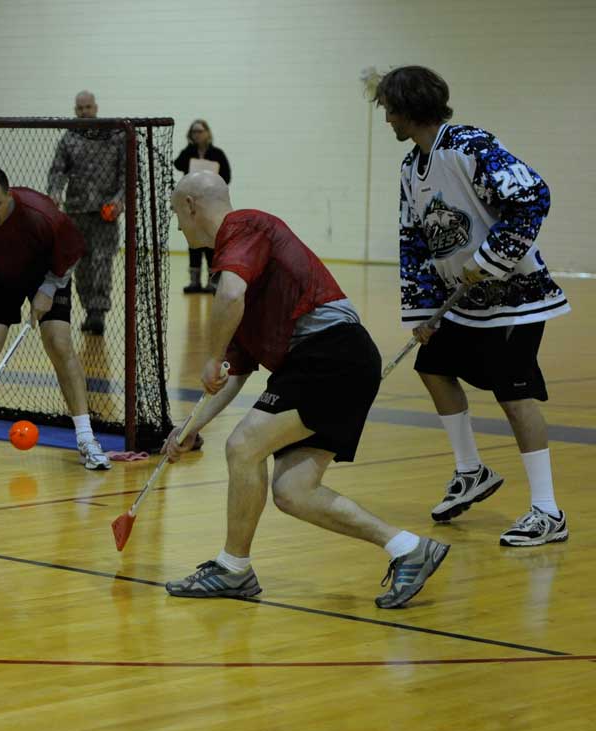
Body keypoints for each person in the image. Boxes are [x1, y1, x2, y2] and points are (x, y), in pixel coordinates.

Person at [162, 172, 449, 609]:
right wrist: (188, 427)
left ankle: (233, 568)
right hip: (333, 363)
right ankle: (408, 548)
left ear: (191, 207)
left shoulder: (245, 228)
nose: (179, 229)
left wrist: (208, 354)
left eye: (176, 217)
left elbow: (230, 296)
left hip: (331, 354)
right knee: (294, 491)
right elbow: (234, 374)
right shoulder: (245, 265)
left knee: (243, 446)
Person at [373, 66, 570, 546]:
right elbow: (414, 242)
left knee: (513, 396)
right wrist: (421, 312)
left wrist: (490, 258)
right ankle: (470, 471)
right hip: (463, 303)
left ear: (409, 108)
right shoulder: (408, 168)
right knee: (433, 367)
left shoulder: (468, 146)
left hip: (515, 299)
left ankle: (548, 512)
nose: (386, 121)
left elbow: (533, 196)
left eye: (389, 110)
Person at [0, 167, 111, 470]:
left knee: (58, 342)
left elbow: (70, 253)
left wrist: (48, 288)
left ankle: (86, 439)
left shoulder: (39, 212)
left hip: (47, 273)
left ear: (9, 196)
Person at [47, 90, 126, 336]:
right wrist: (54, 193)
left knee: (102, 262)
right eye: (80, 108)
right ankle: (88, 309)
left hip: (106, 213)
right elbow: (58, 170)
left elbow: (126, 175)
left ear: (96, 107)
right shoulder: (69, 139)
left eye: (88, 107)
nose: (84, 112)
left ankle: (97, 313)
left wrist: (119, 201)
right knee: (79, 265)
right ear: (75, 111)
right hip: (77, 211)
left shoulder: (115, 137)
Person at [173, 119, 231, 294]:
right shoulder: (189, 152)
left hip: (210, 205)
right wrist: (190, 150)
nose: (196, 135)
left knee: (211, 244)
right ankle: (194, 281)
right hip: (192, 205)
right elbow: (177, 164)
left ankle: (213, 282)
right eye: (193, 132)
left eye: (199, 131)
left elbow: (226, 177)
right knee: (194, 243)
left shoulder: (217, 154)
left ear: (207, 132)